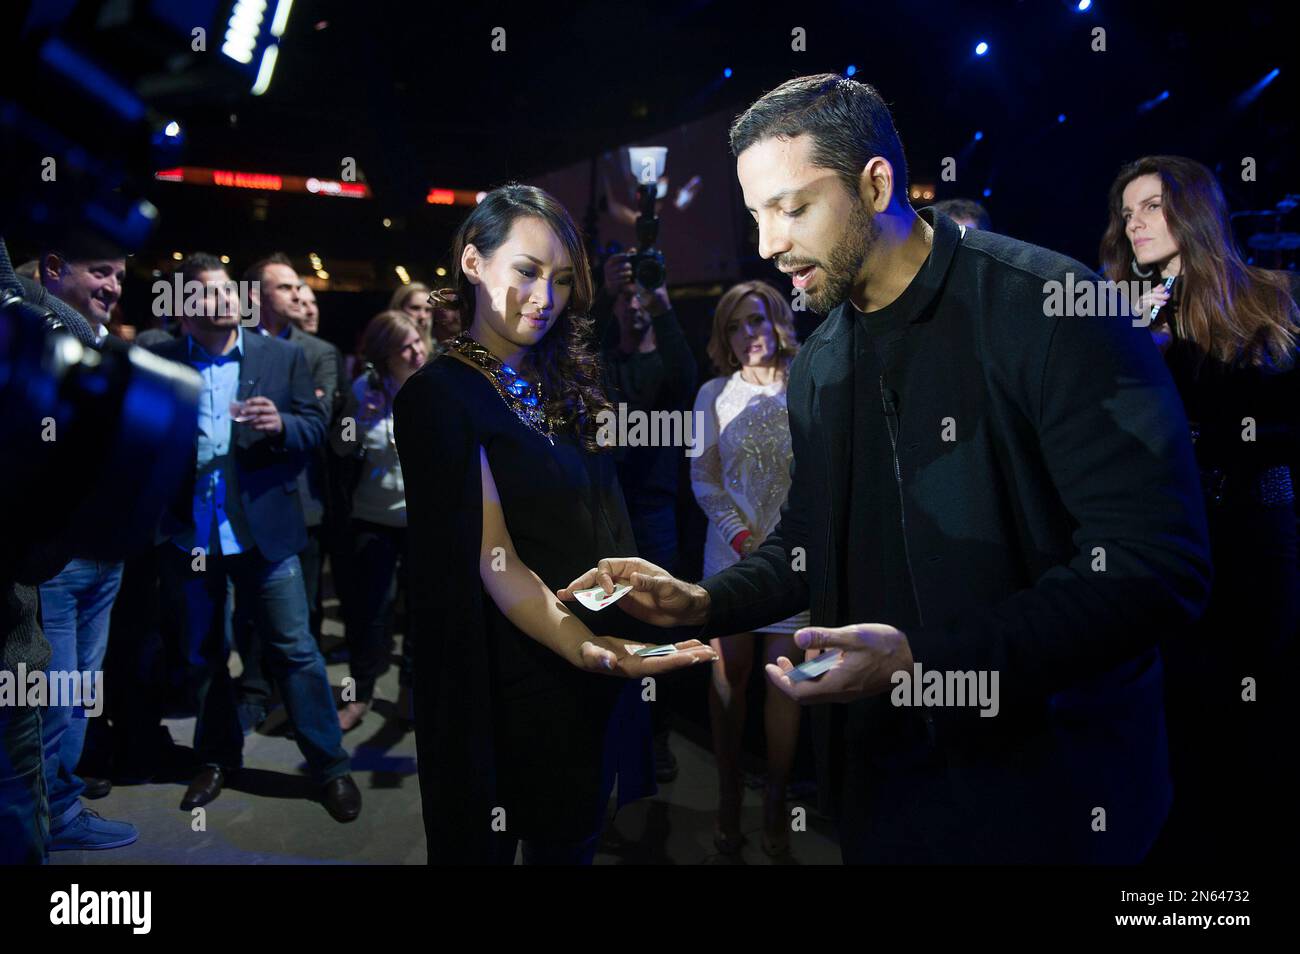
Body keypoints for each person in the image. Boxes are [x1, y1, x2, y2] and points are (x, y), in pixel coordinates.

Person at [559, 73, 1212, 864]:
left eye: (792, 208)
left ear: (875, 184)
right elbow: (809, 537)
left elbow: (1157, 567)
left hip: (1054, 797)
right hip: (883, 793)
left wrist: (923, 662)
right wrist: (706, 602)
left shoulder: (1051, 307)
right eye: (756, 214)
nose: (768, 244)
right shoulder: (822, 362)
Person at [393, 184, 715, 865]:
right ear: (474, 264)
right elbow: (494, 559)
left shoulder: (565, 382)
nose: (546, 297)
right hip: (506, 674)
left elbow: (599, 528)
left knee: (571, 841)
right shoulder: (439, 395)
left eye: (562, 281)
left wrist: (638, 616)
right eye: (528, 271)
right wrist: (582, 644)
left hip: (584, 667)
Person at [1100, 155, 1300, 865]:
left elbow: (1273, 421)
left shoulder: (1270, 297)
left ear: (1192, 212)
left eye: (1151, 206)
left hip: (1253, 527)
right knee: (1171, 716)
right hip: (1159, 534)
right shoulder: (1117, 308)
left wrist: (1173, 360)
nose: (1136, 223)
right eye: (1127, 212)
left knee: (1254, 710)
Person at [145, 253, 361, 821]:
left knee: (294, 650)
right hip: (191, 535)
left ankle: (330, 767)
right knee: (207, 655)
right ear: (184, 307)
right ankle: (217, 758)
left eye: (226, 290)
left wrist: (284, 425)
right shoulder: (161, 361)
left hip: (265, 528)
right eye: (206, 294)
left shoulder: (282, 355)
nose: (223, 301)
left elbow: (317, 429)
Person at [691, 280, 807, 860]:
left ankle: (778, 801)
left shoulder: (805, 384)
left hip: (791, 558)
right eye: (734, 326)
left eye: (756, 321)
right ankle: (729, 796)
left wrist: (786, 542)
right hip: (730, 557)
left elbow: (819, 471)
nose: (747, 336)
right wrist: (741, 536)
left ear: (777, 321)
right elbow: (703, 478)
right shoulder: (712, 393)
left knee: (785, 682)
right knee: (727, 681)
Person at [36, 232, 136, 849]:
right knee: (53, 700)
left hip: (102, 555)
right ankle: (47, 821)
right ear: (52, 268)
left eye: (121, 277)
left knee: (76, 696)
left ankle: (59, 805)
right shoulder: (29, 335)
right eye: (100, 271)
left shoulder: (99, 342)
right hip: (55, 558)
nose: (113, 287)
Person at [596, 249, 698, 783]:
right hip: (607, 507)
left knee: (659, 622)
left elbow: (687, 377)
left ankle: (657, 735)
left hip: (656, 511)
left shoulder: (671, 359)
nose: (634, 303)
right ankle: (614, 726)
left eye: (643, 294)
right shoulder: (606, 358)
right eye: (626, 294)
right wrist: (605, 290)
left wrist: (660, 305)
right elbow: (583, 365)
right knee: (607, 617)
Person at [238, 253, 344, 725]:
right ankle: (254, 690)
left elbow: (317, 420)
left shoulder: (316, 351)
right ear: (257, 295)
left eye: (299, 287)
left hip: (299, 499)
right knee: (245, 611)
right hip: (239, 499)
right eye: (285, 288)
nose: (298, 295)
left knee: (301, 612)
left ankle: (298, 705)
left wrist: (280, 417)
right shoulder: (231, 343)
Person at [329, 311, 427, 730]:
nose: (417, 351)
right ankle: (361, 695)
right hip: (373, 518)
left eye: (419, 341)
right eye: (406, 346)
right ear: (386, 354)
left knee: (422, 611)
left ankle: (410, 691)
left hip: (424, 520)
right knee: (371, 612)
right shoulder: (364, 390)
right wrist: (359, 418)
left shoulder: (434, 387)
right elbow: (339, 447)